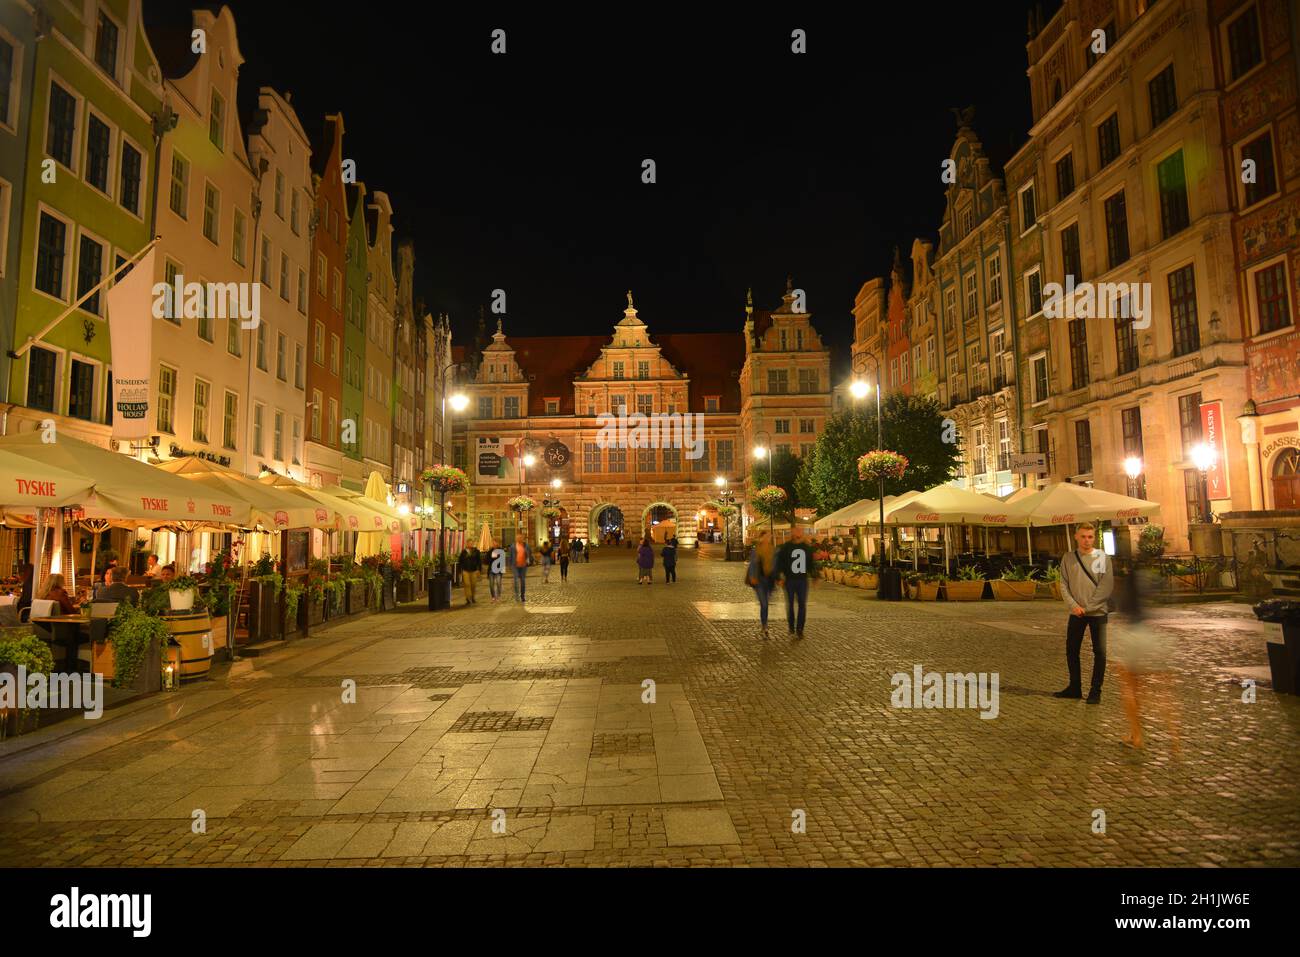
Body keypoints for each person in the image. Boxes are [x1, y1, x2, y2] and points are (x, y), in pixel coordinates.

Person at [1112, 568, 1179, 751]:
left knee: (1129, 689)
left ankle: (1137, 736)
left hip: (1130, 637)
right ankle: (1175, 739)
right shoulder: (1146, 585)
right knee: (1162, 691)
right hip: (1149, 636)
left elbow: (1119, 610)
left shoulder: (1125, 591)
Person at [1054, 523, 1113, 704]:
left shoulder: (1102, 557)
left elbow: (1106, 586)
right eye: (1083, 536)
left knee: (1100, 652)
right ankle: (1075, 687)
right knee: (1071, 650)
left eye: (1090, 537)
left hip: (1097, 612)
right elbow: (1063, 584)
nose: (1087, 540)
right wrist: (1074, 606)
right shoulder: (1068, 558)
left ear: (1094, 538)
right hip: (1076, 612)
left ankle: (1096, 690)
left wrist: (1087, 608)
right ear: (1076, 537)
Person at [775, 525, 816, 638]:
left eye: (800, 531)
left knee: (802, 604)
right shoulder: (786, 547)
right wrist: (778, 578)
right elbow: (779, 563)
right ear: (792, 533)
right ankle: (791, 626)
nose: (798, 533)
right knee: (790, 604)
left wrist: (814, 576)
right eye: (796, 531)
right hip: (790, 580)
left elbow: (811, 563)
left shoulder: (806, 548)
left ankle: (800, 628)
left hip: (802, 580)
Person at [746, 532, 777, 638]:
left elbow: (776, 565)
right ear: (761, 538)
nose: (768, 538)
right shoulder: (756, 550)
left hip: (769, 580)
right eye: (766, 536)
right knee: (764, 603)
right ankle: (764, 626)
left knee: (766, 603)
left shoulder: (773, 550)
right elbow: (752, 565)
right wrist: (752, 576)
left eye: (769, 537)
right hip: (759, 580)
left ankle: (764, 624)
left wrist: (779, 578)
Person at [512, 537, 533, 602]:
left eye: (520, 538)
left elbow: (530, 553)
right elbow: (511, 556)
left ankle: (522, 596)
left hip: (523, 566)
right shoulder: (513, 546)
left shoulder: (526, 546)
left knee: (522, 581)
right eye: (517, 538)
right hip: (515, 566)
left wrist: (529, 560)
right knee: (516, 581)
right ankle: (516, 595)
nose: (519, 539)